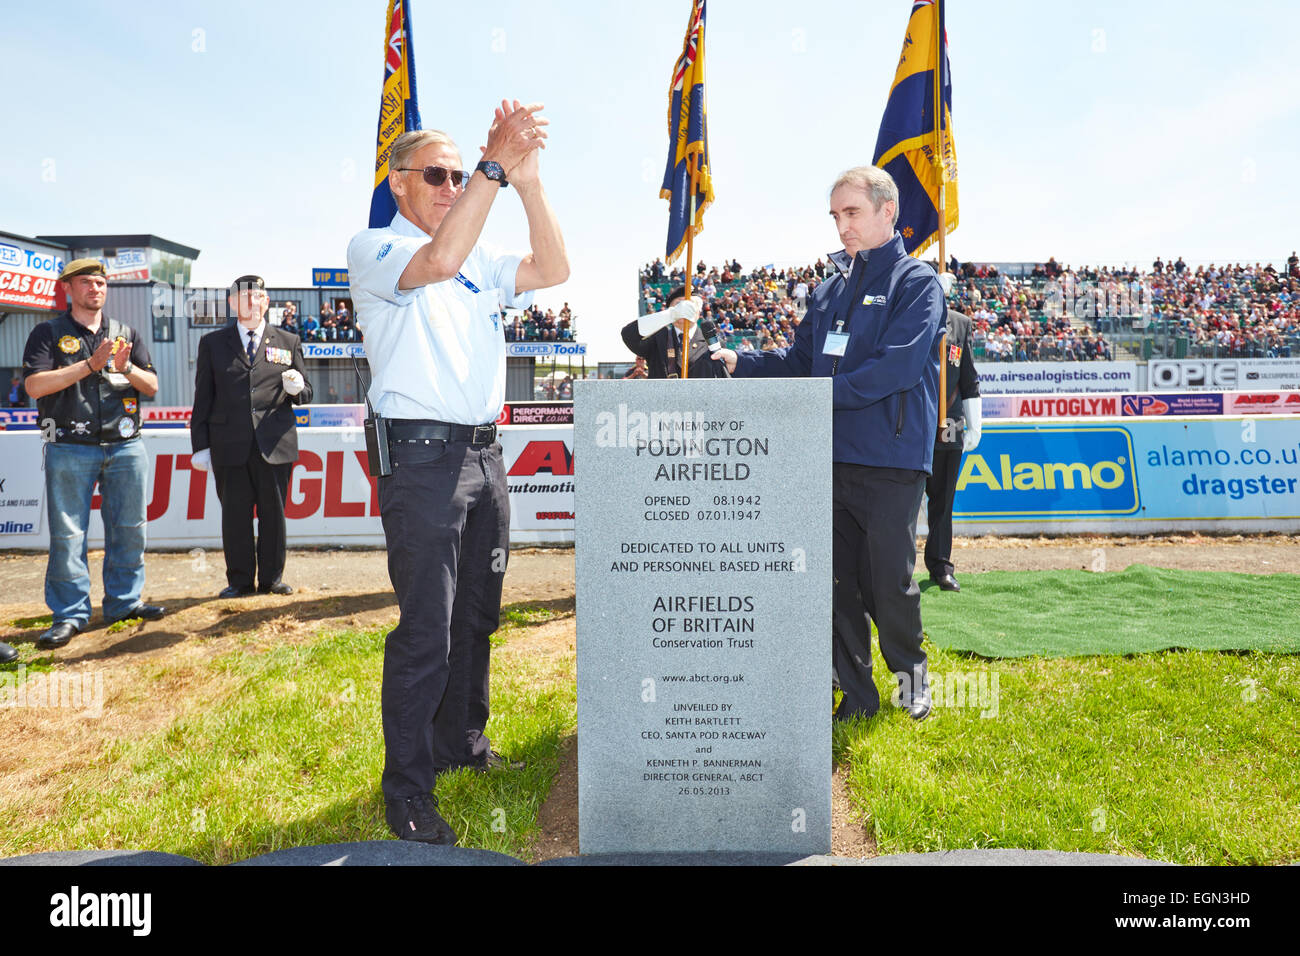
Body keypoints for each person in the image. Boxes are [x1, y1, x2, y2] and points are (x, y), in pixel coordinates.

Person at [346, 103, 568, 845]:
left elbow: (555, 268)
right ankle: (407, 790)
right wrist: (492, 169)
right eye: (438, 174)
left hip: (483, 453)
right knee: (426, 632)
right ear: (399, 181)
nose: (451, 185)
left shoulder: (477, 253)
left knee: (476, 616)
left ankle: (461, 747)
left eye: (458, 173)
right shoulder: (374, 246)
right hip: (421, 459)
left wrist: (527, 185)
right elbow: (437, 260)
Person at [711, 166, 944, 721]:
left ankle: (912, 683)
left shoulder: (917, 283)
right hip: (828, 458)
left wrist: (818, 398)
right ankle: (856, 696)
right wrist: (740, 362)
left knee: (888, 582)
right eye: (836, 216)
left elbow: (897, 369)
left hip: (889, 461)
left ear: (888, 212)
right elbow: (799, 364)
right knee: (836, 584)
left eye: (853, 213)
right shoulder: (829, 290)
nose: (842, 226)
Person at [21, 259, 166, 650]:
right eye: (86, 282)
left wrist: (126, 368)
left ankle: (124, 602)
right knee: (69, 535)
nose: (95, 289)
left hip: (126, 444)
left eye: (100, 283)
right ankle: (69, 614)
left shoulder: (125, 332)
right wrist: (90, 365)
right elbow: (34, 386)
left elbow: (151, 385)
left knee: (130, 527)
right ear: (68, 288)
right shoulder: (48, 333)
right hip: (69, 446)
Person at [189, 275, 312, 598]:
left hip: (274, 443)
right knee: (235, 516)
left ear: (266, 302)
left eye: (257, 296)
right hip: (229, 446)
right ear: (232, 303)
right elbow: (203, 398)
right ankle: (240, 581)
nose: (251, 302)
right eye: (244, 297)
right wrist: (200, 446)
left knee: (274, 515)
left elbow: (306, 393)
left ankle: (272, 579)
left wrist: (297, 389)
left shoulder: (288, 341)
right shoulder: (213, 344)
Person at [924, 308, 981, 592]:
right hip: (912, 423)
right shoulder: (905, 314)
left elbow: (969, 377)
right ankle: (896, 566)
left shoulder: (960, 324)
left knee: (943, 501)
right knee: (901, 503)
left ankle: (940, 565)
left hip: (949, 422)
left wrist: (975, 425)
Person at [619, 286, 723, 379]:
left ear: (699, 311)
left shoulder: (712, 342)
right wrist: (671, 314)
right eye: (679, 304)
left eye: (690, 305)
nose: (684, 309)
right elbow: (628, 334)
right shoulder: (658, 338)